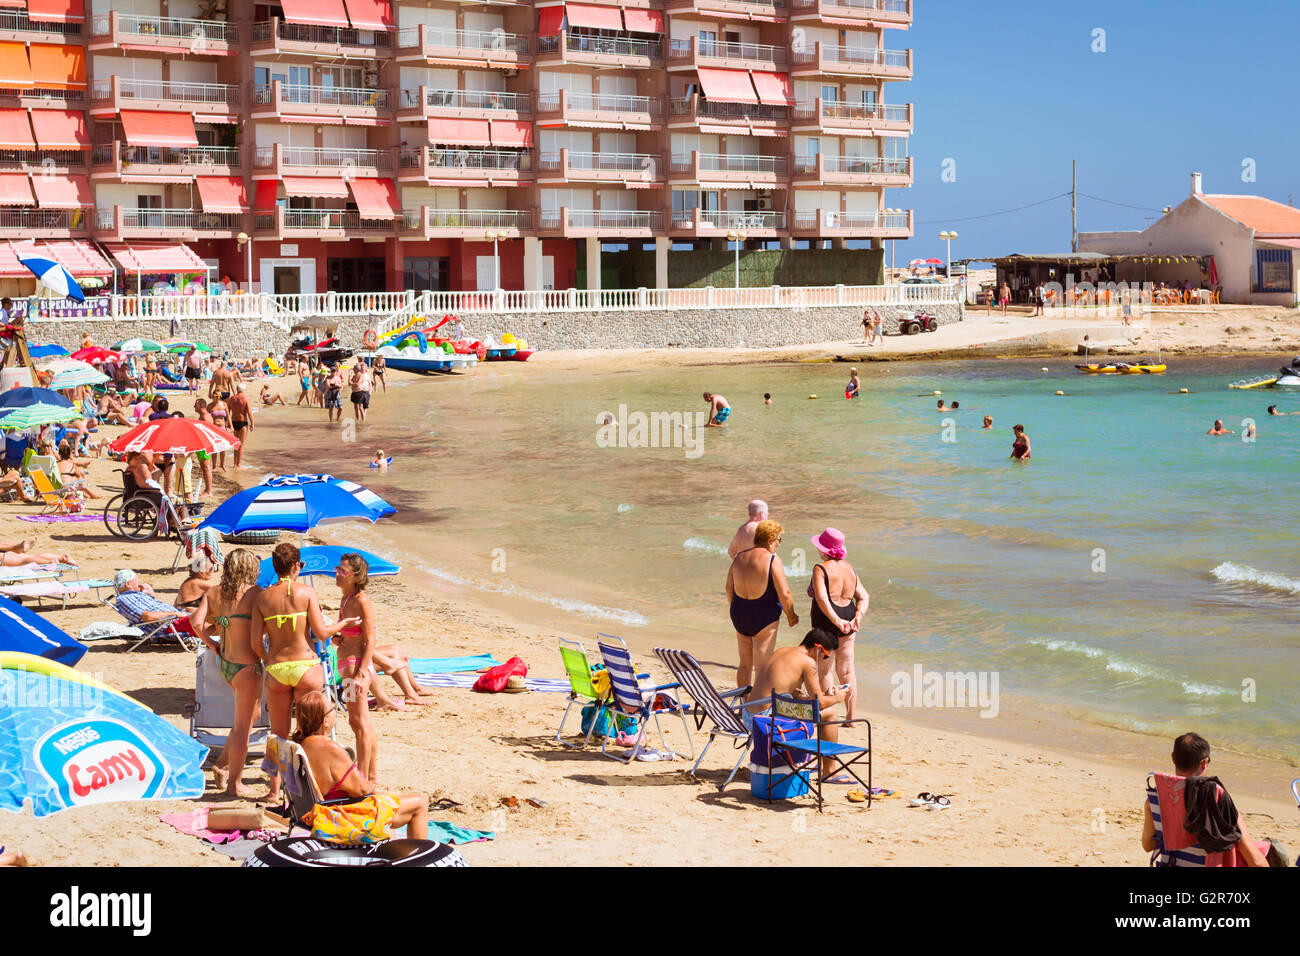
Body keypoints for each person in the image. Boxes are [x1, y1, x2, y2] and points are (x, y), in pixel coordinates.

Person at [252, 543, 357, 803]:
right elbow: (321, 633)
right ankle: (312, 785)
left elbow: (256, 642)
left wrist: (270, 661)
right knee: (308, 730)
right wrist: (342, 624)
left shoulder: (263, 598)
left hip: (277, 668)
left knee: (277, 734)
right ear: (298, 565)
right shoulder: (306, 592)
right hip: (306, 666)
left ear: (275, 567)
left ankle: (274, 792)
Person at [291, 691, 429, 842]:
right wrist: (371, 782)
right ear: (325, 720)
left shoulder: (298, 744)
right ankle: (419, 858)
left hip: (314, 811)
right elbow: (361, 790)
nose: (334, 713)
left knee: (388, 800)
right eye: (332, 709)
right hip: (340, 816)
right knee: (419, 804)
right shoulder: (330, 748)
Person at [1140, 732, 1278, 867]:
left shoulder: (1157, 799)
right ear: (1204, 763)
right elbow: (1256, 862)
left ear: (1173, 758)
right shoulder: (1216, 800)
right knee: (1273, 849)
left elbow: (1148, 845)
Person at [190, 550, 262, 796]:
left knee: (252, 715)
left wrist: (211, 643)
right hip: (247, 666)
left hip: (227, 664)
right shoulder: (254, 593)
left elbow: (196, 623)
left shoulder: (214, 592)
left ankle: (222, 765)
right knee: (243, 725)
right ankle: (234, 782)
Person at [749, 629, 852, 782]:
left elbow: (781, 690)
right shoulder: (808, 662)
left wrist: (802, 696)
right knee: (831, 713)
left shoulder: (781, 650)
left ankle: (825, 768)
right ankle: (830, 771)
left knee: (819, 708)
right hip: (768, 721)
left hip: (750, 715)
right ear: (818, 648)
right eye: (825, 656)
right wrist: (837, 697)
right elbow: (820, 704)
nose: (823, 660)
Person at [727, 519, 798, 693]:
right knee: (761, 666)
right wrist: (791, 616)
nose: (779, 544)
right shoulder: (772, 559)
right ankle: (757, 708)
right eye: (779, 540)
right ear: (770, 539)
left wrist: (736, 610)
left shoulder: (739, 557)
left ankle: (744, 705)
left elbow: (729, 587)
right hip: (763, 616)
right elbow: (785, 593)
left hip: (739, 613)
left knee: (744, 664)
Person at [807, 528, 869, 725]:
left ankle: (830, 714)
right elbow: (864, 596)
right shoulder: (849, 568)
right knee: (847, 671)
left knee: (825, 671)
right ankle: (850, 717)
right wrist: (857, 616)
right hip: (849, 618)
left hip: (827, 622)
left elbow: (823, 600)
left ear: (823, 549)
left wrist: (836, 621)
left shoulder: (820, 568)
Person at [113, 569, 196, 634]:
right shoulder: (126, 598)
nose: (139, 582)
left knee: (200, 611)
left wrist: (151, 595)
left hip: (177, 619)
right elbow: (148, 617)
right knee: (203, 618)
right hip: (171, 625)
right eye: (136, 580)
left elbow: (157, 608)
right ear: (128, 584)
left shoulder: (136, 595)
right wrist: (174, 613)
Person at [228, 384, 251, 469]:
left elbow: (228, 411)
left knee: (236, 443)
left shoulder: (232, 398)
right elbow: (249, 412)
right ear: (244, 390)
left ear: (237, 389)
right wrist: (252, 423)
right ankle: (238, 464)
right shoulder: (245, 399)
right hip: (243, 422)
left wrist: (228, 423)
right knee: (242, 444)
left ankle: (234, 463)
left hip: (234, 422)